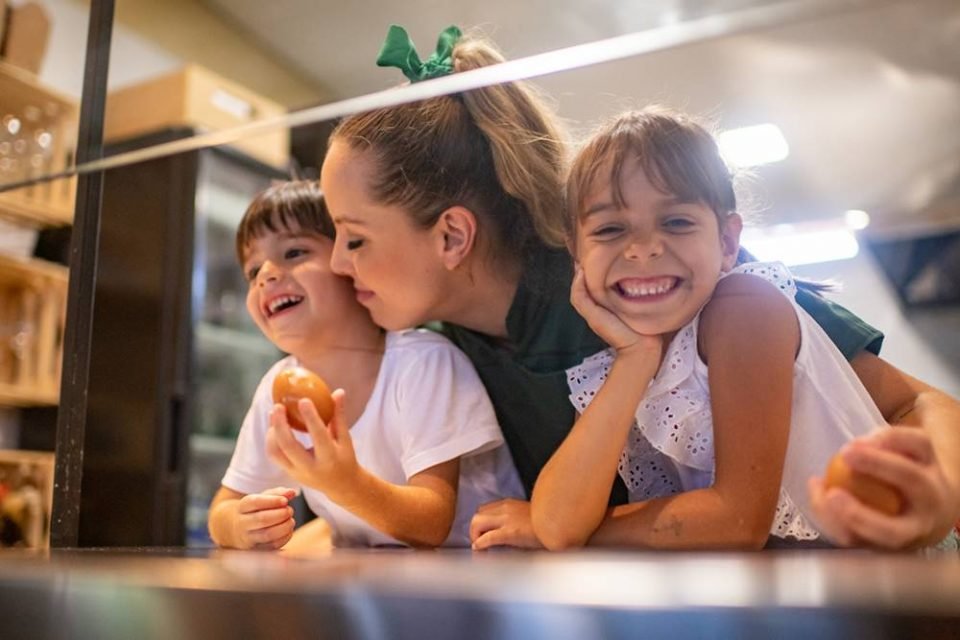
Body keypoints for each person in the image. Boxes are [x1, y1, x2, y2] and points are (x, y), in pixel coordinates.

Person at [320, 24, 960, 550]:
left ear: (453, 237)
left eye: (354, 237)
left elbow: (922, 405)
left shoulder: (672, 280)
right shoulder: (443, 349)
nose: (337, 266)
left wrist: (936, 499)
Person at [527, 107, 959, 550]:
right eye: (610, 228)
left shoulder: (743, 306)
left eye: (676, 221)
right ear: (577, 255)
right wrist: (635, 359)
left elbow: (736, 522)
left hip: (907, 584)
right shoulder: (619, 355)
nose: (643, 248)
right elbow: (560, 525)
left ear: (728, 242)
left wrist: (563, 530)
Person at [206, 180, 522, 550]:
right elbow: (222, 508)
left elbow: (432, 523)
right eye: (252, 270)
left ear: (349, 265)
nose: (266, 276)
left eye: (294, 252)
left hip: (480, 575)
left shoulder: (423, 363)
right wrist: (237, 526)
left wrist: (345, 481)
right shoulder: (277, 386)